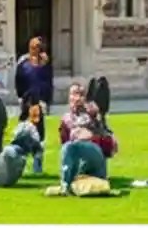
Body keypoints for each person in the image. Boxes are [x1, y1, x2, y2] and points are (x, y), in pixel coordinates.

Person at [14, 36, 53, 171]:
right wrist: (20, 98)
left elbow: (48, 83)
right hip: (27, 102)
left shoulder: (45, 66)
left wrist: (46, 100)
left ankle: (38, 161)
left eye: (38, 47)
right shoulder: (23, 65)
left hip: (39, 102)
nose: (36, 49)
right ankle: (20, 161)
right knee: (24, 131)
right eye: (34, 47)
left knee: (39, 133)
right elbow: (18, 81)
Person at [59, 82, 117, 158]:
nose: (77, 98)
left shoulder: (92, 113)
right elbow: (65, 142)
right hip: (76, 155)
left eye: (80, 94)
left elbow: (108, 144)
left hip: (94, 154)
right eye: (74, 94)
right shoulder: (66, 119)